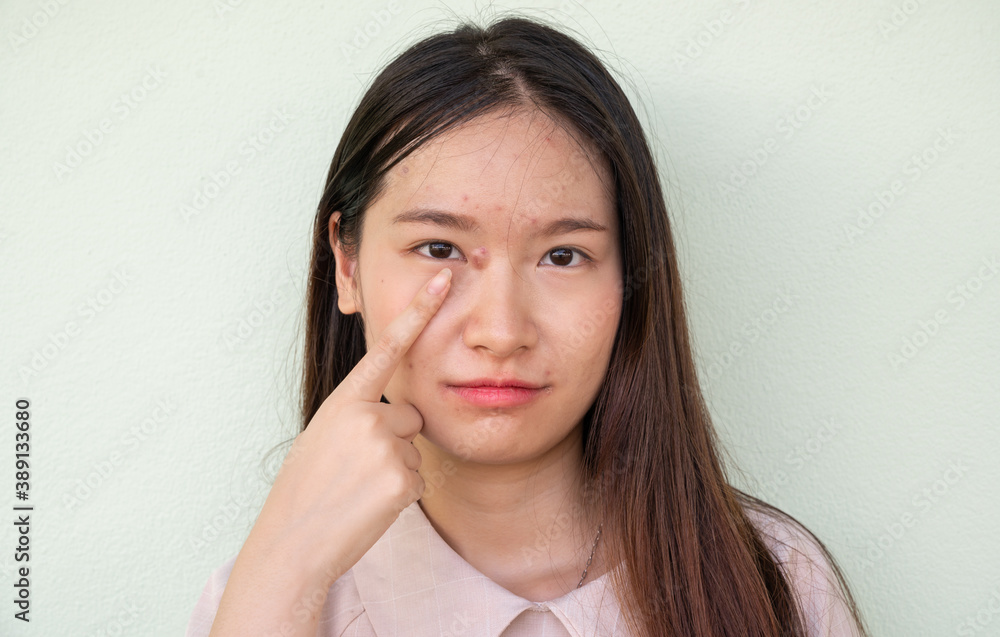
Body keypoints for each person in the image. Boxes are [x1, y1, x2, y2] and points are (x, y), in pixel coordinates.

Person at [186, 14, 870, 637]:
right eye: (439, 248)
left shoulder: (779, 586)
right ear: (347, 264)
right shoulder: (262, 599)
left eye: (562, 256)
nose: (501, 331)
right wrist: (286, 566)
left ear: (632, 275)